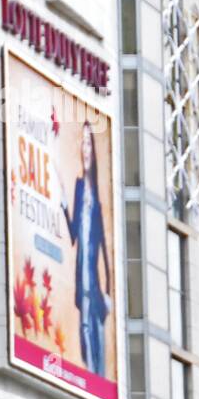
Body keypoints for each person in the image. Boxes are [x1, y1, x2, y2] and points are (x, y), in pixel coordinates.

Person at [58, 119, 112, 375]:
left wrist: (110, 291)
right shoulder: (79, 188)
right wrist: (63, 203)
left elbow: (103, 250)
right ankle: (92, 375)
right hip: (82, 280)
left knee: (97, 332)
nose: (86, 148)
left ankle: (97, 374)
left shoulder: (99, 202)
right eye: (84, 143)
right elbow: (72, 235)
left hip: (95, 282)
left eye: (89, 142)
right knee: (84, 329)